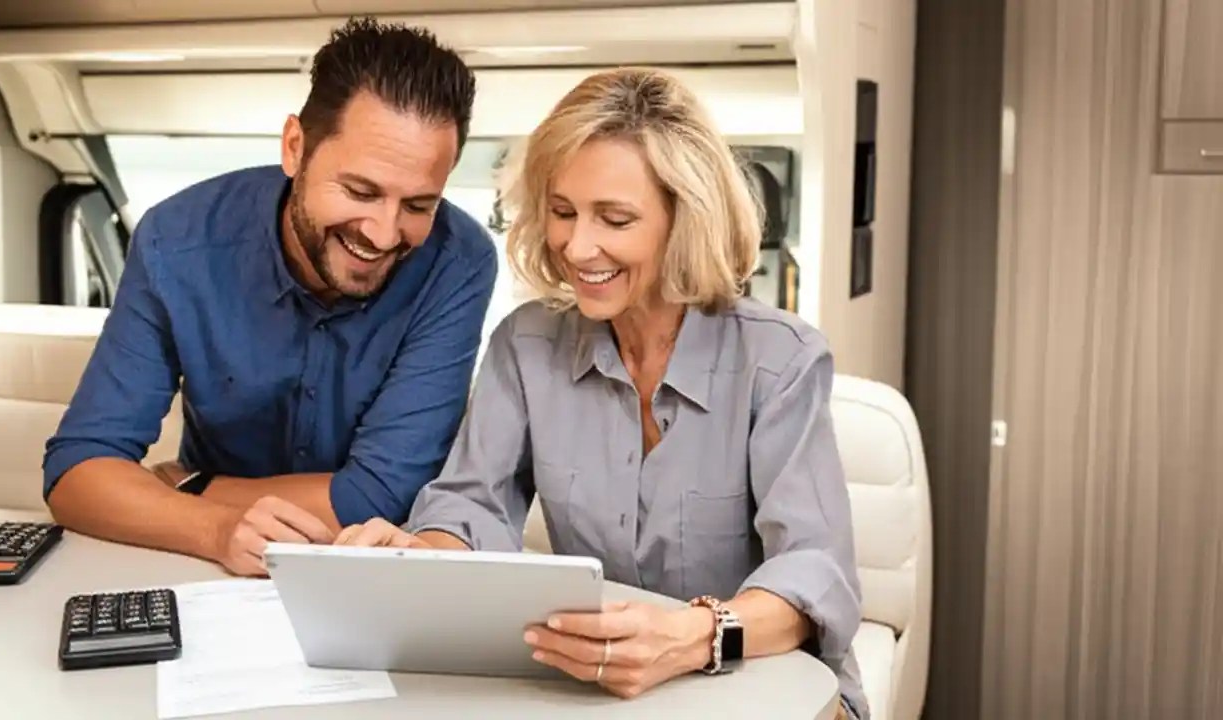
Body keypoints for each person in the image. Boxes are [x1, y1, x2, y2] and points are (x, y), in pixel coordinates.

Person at [335, 68, 868, 719]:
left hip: (770, 690)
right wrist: (420, 558)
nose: (577, 246)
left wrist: (689, 638)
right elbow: (471, 506)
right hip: (608, 694)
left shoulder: (779, 361)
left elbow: (814, 572)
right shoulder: (525, 347)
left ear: (685, 218)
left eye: (613, 219)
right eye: (562, 212)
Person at [42, 18, 497, 577]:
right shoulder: (175, 242)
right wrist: (216, 530)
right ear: (294, 148)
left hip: (371, 573)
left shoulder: (459, 261)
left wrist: (192, 487)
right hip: (203, 561)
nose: (382, 233)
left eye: (419, 206)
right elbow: (77, 471)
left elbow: (378, 494)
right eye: (360, 191)